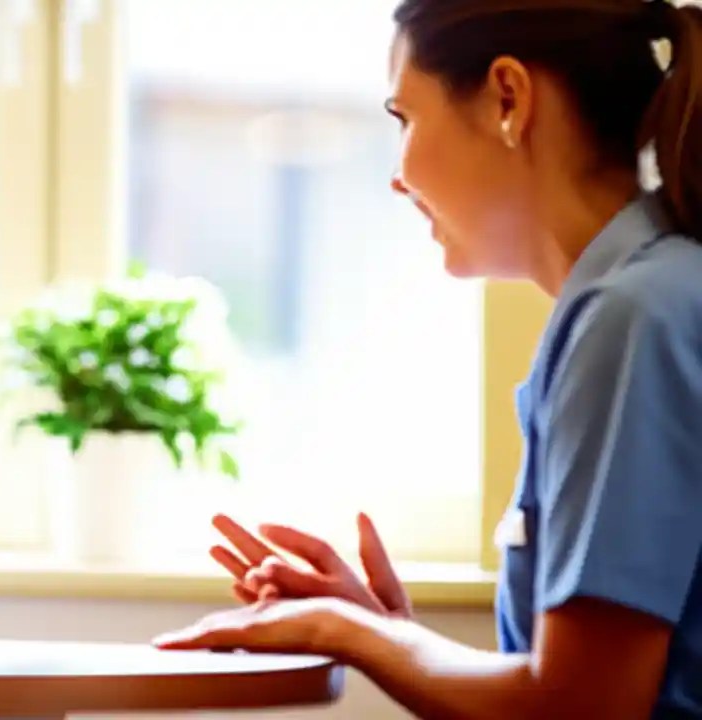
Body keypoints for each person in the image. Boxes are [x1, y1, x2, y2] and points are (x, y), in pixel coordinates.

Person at [155, 0, 702, 717]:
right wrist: (392, 635)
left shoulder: (634, 317)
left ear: (509, 99)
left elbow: (581, 707)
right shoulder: (643, 298)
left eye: (404, 118)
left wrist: (350, 633)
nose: (397, 176)